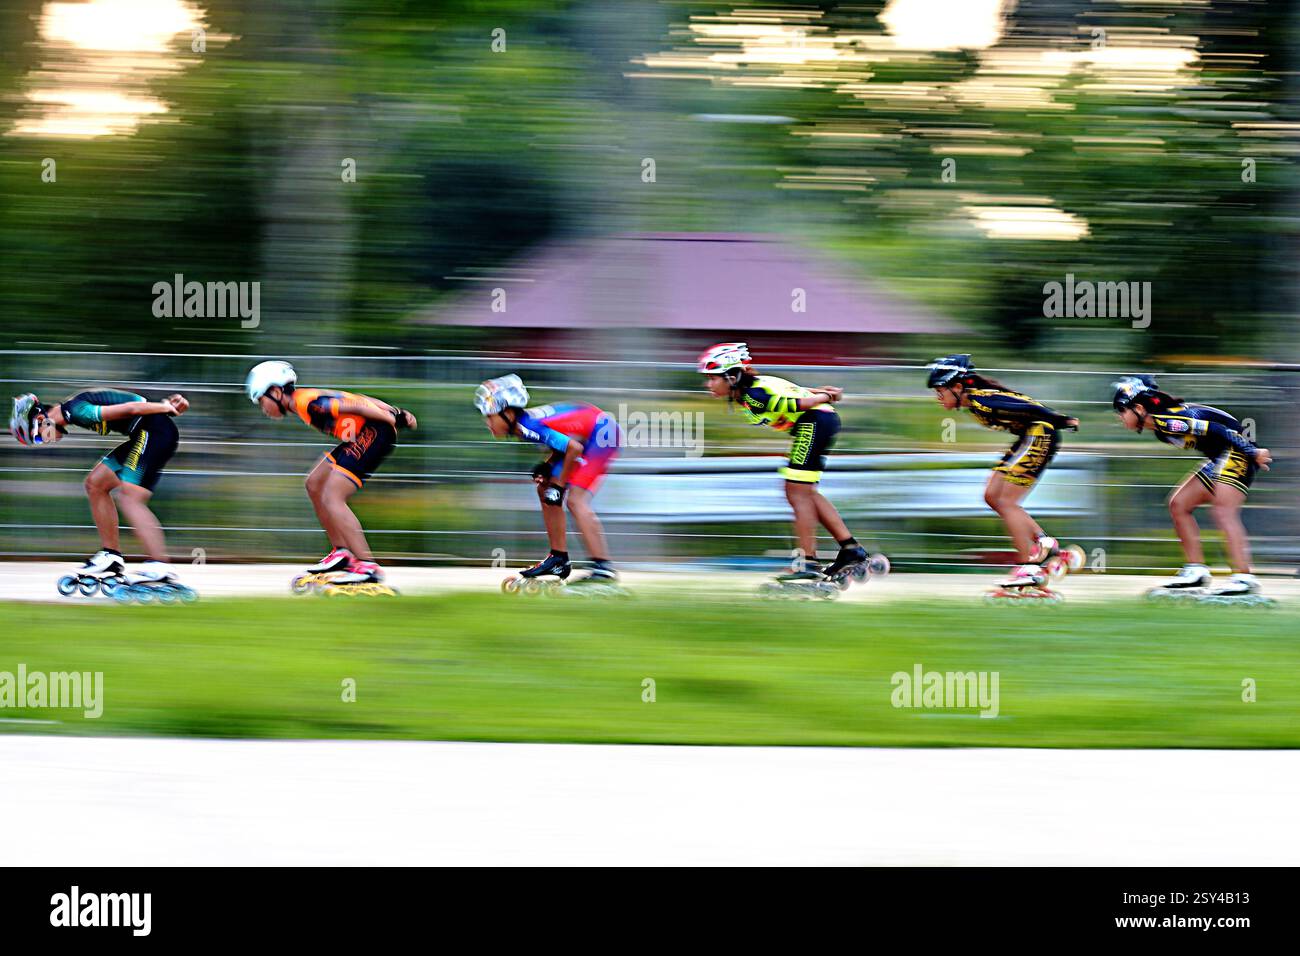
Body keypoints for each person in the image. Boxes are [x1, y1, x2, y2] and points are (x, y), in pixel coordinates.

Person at [698, 342, 867, 582]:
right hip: (817, 422)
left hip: (814, 422)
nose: (708, 384)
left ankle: (807, 562)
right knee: (803, 492)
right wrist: (820, 392)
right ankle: (850, 550)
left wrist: (825, 395)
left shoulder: (753, 395)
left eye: (713, 378)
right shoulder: (754, 389)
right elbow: (795, 392)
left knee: (796, 492)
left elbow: (801, 404)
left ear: (732, 376)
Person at [246, 360, 416, 585]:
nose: (263, 408)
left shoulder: (308, 404)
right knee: (314, 483)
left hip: (375, 432)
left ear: (276, 392)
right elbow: (357, 398)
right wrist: (393, 410)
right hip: (361, 434)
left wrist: (392, 417)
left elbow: (356, 406)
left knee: (332, 495)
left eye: (261, 401)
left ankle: (367, 566)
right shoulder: (304, 400)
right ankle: (342, 553)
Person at [925, 354, 1079, 590]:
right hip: (1028, 435)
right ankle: (1049, 546)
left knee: (1008, 502)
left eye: (940, 391)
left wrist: (1061, 419)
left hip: (1040, 433)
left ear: (957, 387)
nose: (938, 397)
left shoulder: (983, 401)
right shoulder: (975, 405)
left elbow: (1028, 406)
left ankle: (1027, 565)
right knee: (992, 495)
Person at [9, 388, 188, 585]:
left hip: (154, 433)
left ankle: (159, 564)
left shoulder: (77, 411)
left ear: (42, 419)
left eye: (37, 437)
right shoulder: (73, 413)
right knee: (95, 484)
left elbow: (131, 408)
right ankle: (111, 556)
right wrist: (165, 406)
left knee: (129, 498)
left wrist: (166, 407)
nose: (43, 441)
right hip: (144, 433)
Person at [1112, 374, 1271, 596]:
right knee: (1179, 504)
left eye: (1121, 410)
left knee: (1223, 511)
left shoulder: (1167, 422)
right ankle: (1196, 571)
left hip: (1237, 450)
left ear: (1138, 408)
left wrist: (1251, 451)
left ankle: (1244, 578)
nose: (1119, 417)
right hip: (1220, 456)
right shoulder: (1160, 428)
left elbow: (1217, 430)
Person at [475, 374, 620, 585]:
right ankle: (558, 559)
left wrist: (559, 485)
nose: (487, 422)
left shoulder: (528, 426)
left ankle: (603, 567)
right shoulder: (523, 425)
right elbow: (564, 442)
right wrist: (548, 466)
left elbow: (573, 448)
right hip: (588, 434)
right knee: (545, 489)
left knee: (575, 500)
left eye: (490, 416)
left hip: (603, 434)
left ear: (507, 413)